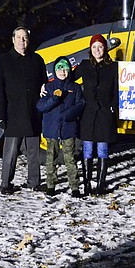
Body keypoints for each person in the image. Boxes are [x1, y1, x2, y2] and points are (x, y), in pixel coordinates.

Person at [0, 26, 47, 194]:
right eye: (19, 38)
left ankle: (34, 181)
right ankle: (5, 184)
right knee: (10, 151)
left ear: (28, 40)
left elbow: (44, 83)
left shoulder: (37, 60)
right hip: (12, 113)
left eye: (25, 38)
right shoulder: (3, 61)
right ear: (13, 39)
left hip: (33, 112)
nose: (22, 41)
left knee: (33, 150)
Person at [75, 34, 118, 195]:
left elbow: (117, 89)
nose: (97, 50)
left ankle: (100, 185)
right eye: (94, 47)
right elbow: (68, 79)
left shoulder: (113, 67)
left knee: (102, 149)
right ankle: (86, 184)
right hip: (88, 113)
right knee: (87, 149)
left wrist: (114, 107)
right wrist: (48, 86)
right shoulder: (85, 65)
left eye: (100, 46)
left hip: (105, 113)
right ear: (90, 49)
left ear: (105, 48)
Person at [36, 56, 85, 197]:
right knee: (51, 159)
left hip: (68, 128)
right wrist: (54, 98)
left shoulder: (75, 88)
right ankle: (51, 185)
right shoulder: (49, 87)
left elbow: (80, 104)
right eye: (59, 69)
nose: (63, 72)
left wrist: (69, 115)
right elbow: (41, 106)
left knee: (70, 158)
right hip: (51, 129)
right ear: (54, 71)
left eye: (65, 69)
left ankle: (74, 186)